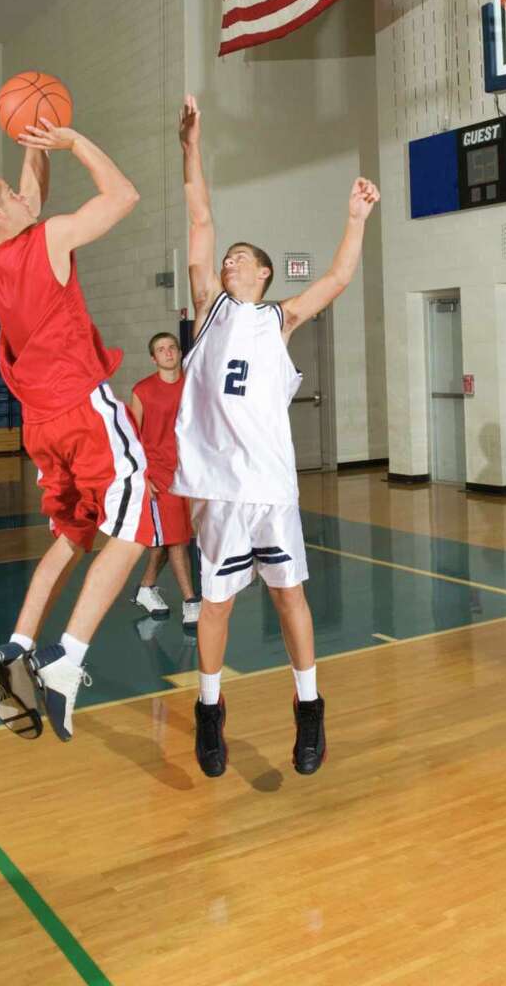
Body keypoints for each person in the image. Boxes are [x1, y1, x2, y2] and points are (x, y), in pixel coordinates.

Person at [172, 94, 380, 779]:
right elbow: (201, 216)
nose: (228, 262)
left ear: (262, 273)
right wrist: (189, 147)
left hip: (270, 489)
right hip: (219, 490)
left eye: (240, 259)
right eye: (225, 259)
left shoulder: (279, 320)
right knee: (217, 603)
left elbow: (339, 277)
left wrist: (354, 217)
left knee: (290, 595)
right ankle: (210, 709)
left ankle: (310, 703)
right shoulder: (209, 311)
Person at [0, 120, 149, 743]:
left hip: (40, 424)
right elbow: (123, 197)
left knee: (72, 531)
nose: (21, 195)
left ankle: (15, 645)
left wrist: (31, 141)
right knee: (140, 516)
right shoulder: (50, 239)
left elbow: (25, 204)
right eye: (7, 192)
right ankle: (67, 658)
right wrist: (76, 142)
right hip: (83, 410)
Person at [129, 331, 201, 628]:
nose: (168, 352)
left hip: (189, 475)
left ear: (179, 353)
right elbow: (132, 439)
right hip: (158, 477)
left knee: (166, 539)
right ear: (153, 357)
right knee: (176, 541)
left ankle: (146, 588)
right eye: (161, 349)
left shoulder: (193, 387)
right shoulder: (142, 390)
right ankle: (191, 602)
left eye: (172, 347)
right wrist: (140, 477)